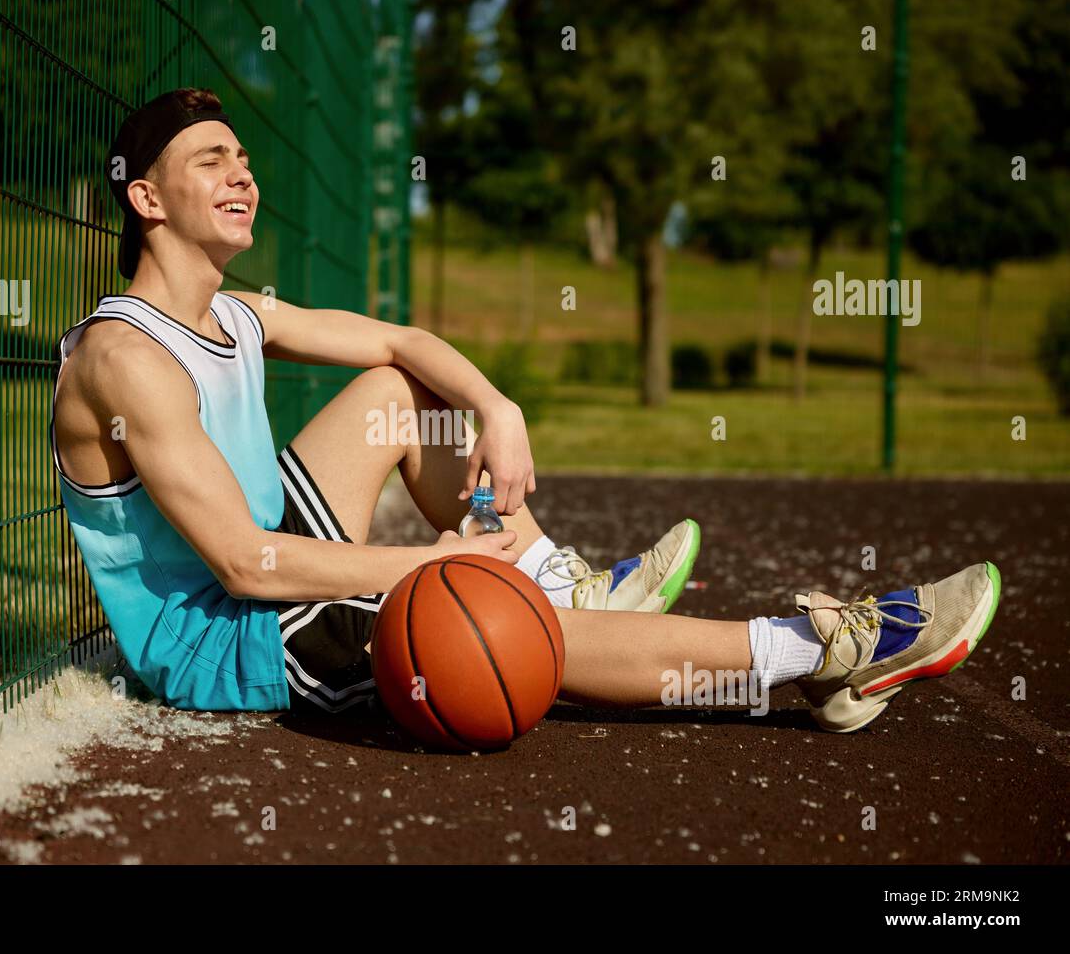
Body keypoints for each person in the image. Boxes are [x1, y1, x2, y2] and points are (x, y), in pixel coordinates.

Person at [49, 88, 999, 731]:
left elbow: (397, 346)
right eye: (212, 160)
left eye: (244, 158)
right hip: (234, 640)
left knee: (400, 395)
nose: (242, 173)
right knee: (496, 620)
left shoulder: (232, 314)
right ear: (147, 198)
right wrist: (427, 565)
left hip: (271, 564)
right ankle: (821, 654)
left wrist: (497, 407)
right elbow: (247, 567)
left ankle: (554, 574)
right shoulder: (125, 358)